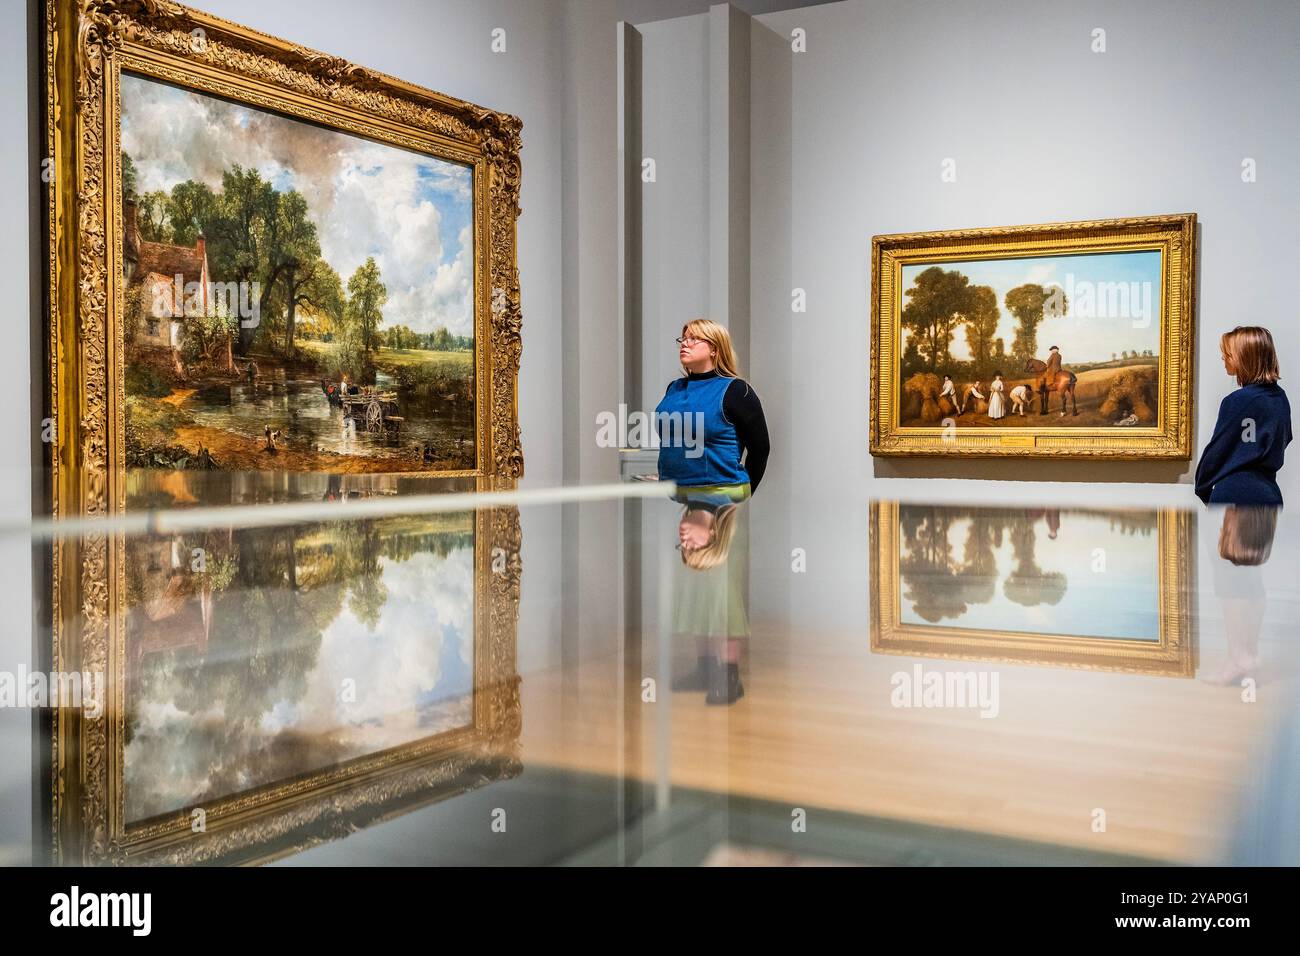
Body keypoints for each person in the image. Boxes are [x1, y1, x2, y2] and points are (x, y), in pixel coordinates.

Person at [655, 319, 769, 495]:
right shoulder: (674, 388)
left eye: (694, 338)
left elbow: (760, 449)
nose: (685, 343)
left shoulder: (736, 389)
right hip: (671, 492)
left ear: (715, 349)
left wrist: (743, 495)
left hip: (718, 495)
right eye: (683, 339)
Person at [1195, 326, 1291, 505]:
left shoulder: (1238, 401)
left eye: (1228, 354)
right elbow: (1284, 440)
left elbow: (1218, 450)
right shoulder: (1280, 398)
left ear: (1245, 357)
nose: (1223, 358)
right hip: (1270, 495)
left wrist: (1202, 486)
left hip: (1234, 496)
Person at [1039, 345, 1062, 413]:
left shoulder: (1053, 355)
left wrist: (1047, 365)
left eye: (1052, 350)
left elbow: (1049, 362)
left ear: (1055, 350)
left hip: (1053, 370)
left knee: (1043, 376)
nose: (1051, 351)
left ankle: (1042, 388)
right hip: (1059, 369)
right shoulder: (1059, 355)